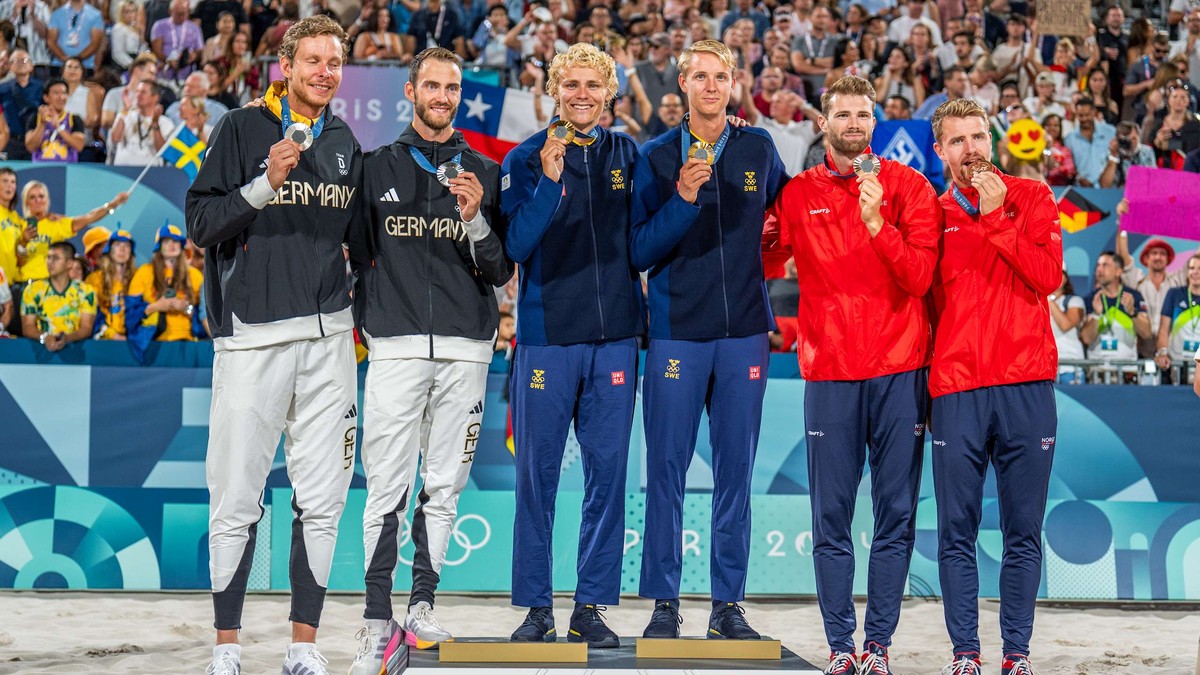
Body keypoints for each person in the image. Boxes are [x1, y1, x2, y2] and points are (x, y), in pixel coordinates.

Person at [186, 15, 362, 675]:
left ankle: (303, 645)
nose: (324, 72)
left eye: (334, 62)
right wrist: (263, 182)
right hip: (252, 337)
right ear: (285, 65)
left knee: (322, 498)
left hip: (328, 343)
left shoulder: (346, 141)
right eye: (312, 60)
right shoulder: (239, 128)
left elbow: (361, 247)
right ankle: (227, 648)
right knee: (235, 496)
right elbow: (201, 223)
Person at [760, 74, 939, 675]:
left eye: (865, 116)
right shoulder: (797, 193)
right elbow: (763, 261)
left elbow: (918, 277)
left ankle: (879, 647)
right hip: (831, 374)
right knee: (830, 519)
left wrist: (875, 225)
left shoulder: (910, 187)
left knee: (895, 516)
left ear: (875, 122)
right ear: (824, 123)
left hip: (900, 372)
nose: (856, 125)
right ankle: (842, 646)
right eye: (845, 115)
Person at [345, 47, 512, 670]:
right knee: (385, 485)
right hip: (396, 348)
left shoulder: (484, 173)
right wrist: (376, 327)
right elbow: (358, 257)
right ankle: (373, 618)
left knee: (444, 485)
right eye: (432, 85)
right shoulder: (374, 166)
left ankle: (421, 605)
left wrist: (473, 221)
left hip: (467, 349)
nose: (442, 96)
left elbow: (499, 268)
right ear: (410, 91)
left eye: (452, 87)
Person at [630, 39, 786, 642]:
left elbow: (789, 212)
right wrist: (684, 200)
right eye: (700, 76)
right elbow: (640, 250)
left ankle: (727, 605)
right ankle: (665, 603)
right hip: (675, 334)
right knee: (665, 473)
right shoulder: (657, 156)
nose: (711, 86)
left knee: (735, 474)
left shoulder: (758, 147)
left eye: (721, 76)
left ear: (734, 83)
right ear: (683, 84)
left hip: (745, 333)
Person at [499, 41, 643, 648]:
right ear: (555, 91)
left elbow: (646, 238)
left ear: (609, 93)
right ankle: (536, 609)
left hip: (614, 342)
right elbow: (515, 247)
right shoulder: (526, 158)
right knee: (537, 480)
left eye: (593, 85)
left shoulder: (628, 153)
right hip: (547, 338)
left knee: (608, 478)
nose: (581, 95)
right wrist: (551, 183)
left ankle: (590, 606)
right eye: (571, 84)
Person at [929, 98, 1063, 675]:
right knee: (956, 530)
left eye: (978, 137)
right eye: (956, 141)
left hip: (1026, 384)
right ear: (940, 151)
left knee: (1022, 530)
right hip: (956, 387)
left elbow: (1048, 277)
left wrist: (999, 217)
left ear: (993, 138)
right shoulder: (929, 214)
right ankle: (965, 654)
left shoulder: (1031, 196)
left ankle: (1016, 654)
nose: (971, 150)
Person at [15, 180, 128, 283]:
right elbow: (16, 262)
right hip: (23, 283)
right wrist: (24, 241)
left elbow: (89, 217)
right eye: (32, 197)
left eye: (41, 196)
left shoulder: (57, 223)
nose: (38, 201)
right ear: (26, 202)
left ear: (47, 200)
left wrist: (113, 204)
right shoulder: (18, 226)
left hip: (49, 285)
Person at [1081, 251, 1152, 377]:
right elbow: (1086, 339)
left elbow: (1146, 334)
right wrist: (1097, 315)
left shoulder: (1133, 296)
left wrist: (1132, 312)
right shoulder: (1091, 299)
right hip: (1098, 372)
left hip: (1127, 371)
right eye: (1098, 265)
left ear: (1118, 271)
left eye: (1105, 265)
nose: (1099, 270)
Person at [20, 241, 95, 350]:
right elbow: (28, 327)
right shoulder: (32, 290)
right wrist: (44, 337)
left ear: (69, 263)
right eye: (48, 257)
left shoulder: (86, 291)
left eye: (55, 258)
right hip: (39, 352)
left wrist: (67, 339)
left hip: (75, 352)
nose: (49, 262)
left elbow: (86, 328)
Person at [1154, 253, 1200, 381]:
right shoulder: (1174, 294)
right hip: (1177, 365)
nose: (1195, 272)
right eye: (1192, 268)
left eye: (1199, 269)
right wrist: (1162, 353)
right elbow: (1163, 329)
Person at [84, 229, 135, 340]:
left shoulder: (139, 276)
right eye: (93, 251)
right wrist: (111, 334)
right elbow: (92, 314)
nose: (97, 253)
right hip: (104, 342)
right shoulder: (93, 279)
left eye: (100, 247)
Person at [109, 80, 174, 166]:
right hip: (122, 171)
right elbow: (115, 139)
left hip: (150, 173)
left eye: (143, 92)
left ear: (155, 97)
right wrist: (125, 110)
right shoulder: (125, 115)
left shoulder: (165, 123)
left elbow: (163, 151)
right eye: (137, 91)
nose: (138, 95)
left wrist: (155, 124)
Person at [24, 76, 85, 162]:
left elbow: (79, 146)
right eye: (56, 93)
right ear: (46, 98)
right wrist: (42, 124)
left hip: (67, 171)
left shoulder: (74, 119)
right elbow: (30, 147)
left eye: (64, 93)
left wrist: (58, 127)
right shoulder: (35, 118)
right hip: (40, 169)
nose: (61, 97)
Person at [151, 0, 204, 81]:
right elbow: (156, 49)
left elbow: (200, 50)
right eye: (178, 13)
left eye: (184, 13)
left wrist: (194, 56)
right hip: (164, 72)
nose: (181, 16)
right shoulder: (159, 26)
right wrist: (168, 61)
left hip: (187, 74)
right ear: (170, 11)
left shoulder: (194, 28)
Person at [45, 0, 104, 73]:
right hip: (59, 65)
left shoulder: (96, 15)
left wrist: (77, 60)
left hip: (85, 66)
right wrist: (64, 58)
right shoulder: (56, 14)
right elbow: (51, 41)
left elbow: (95, 43)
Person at [1049, 268, 1086, 383]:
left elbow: (1066, 324)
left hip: (1070, 367)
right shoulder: (1037, 301)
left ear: (1064, 278)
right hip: (1047, 368)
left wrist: (1048, 297)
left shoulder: (1075, 301)